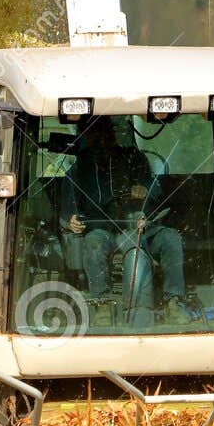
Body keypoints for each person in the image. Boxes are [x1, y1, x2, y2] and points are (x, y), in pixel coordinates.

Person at [57, 116, 187, 320]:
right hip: (103, 232)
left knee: (171, 238)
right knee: (93, 243)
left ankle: (173, 302)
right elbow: (67, 212)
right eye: (93, 135)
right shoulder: (77, 171)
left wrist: (144, 190)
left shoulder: (134, 159)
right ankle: (102, 306)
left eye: (104, 134)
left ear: (112, 135)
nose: (100, 141)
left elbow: (156, 191)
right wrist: (70, 220)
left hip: (141, 228)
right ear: (84, 137)